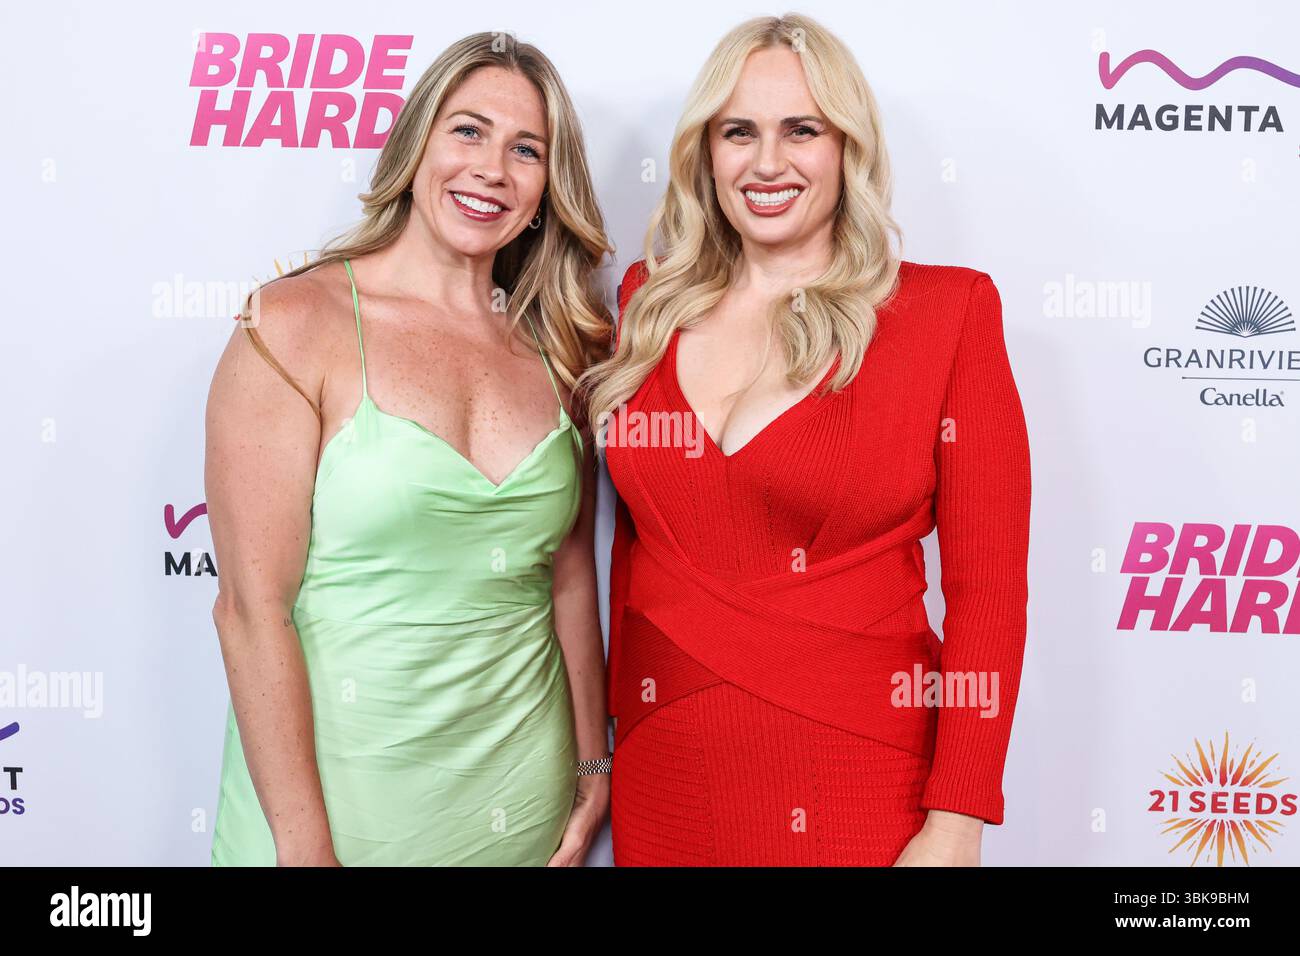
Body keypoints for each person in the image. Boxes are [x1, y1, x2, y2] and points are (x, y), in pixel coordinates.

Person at [580, 13, 1032, 866]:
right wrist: (610, 742)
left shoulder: (947, 314)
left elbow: (989, 595)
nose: (767, 162)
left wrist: (958, 818)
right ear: (705, 152)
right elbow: (635, 557)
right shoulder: (645, 305)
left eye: (802, 130)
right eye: (738, 131)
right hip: (663, 777)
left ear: (847, 148)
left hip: (859, 780)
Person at [205, 32, 614, 866]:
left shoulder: (561, 347)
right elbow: (252, 611)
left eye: (525, 149)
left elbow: (570, 575)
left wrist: (594, 760)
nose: (492, 168)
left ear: (546, 188)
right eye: (467, 131)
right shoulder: (293, 324)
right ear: (416, 142)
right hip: (335, 814)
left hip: (519, 809)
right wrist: (303, 847)